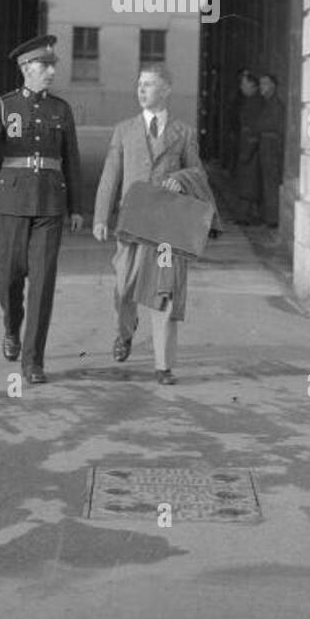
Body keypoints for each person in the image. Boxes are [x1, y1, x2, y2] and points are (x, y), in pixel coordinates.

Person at [92, 64, 215, 385]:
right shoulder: (124, 130)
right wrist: (101, 217)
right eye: (139, 85)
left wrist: (180, 179)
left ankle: (164, 366)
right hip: (131, 224)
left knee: (165, 293)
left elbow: (199, 173)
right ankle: (125, 330)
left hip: (166, 228)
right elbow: (110, 175)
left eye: (148, 85)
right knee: (123, 290)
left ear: (166, 90)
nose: (141, 90)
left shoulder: (184, 132)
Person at [0, 34, 82, 385]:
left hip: (50, 203)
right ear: (25, 69)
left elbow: (72, 160)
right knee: (9, 277)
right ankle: (10, 328)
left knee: (43, 284)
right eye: (44, 65)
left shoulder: (61, 110)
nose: (51, 71)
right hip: (13, 202)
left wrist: (77, 207)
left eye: (52, 65)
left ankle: (33, 361)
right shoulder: (3, 107)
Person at [233, 71, 264, 224]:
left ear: (253, 85)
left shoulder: (255, 102)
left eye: (243, 84)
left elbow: (254, 127)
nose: (241, 87)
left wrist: (249, 148)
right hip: (247, 145)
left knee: (250, 183)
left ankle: (248, 216)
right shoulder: (250, 101)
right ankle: (245, 215)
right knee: (247, 182)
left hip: (251, 148)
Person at [257, 72, 285, 229]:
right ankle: (268, 216)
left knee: (271, 183)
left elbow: (272, 125)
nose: (262, 87)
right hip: (266, 146)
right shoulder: (267, 103)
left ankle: (272, 218)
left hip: (272, 148)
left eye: (265, 84)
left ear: (273, 86)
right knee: (266, 183)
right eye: (261, 84)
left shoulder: (276, 105)